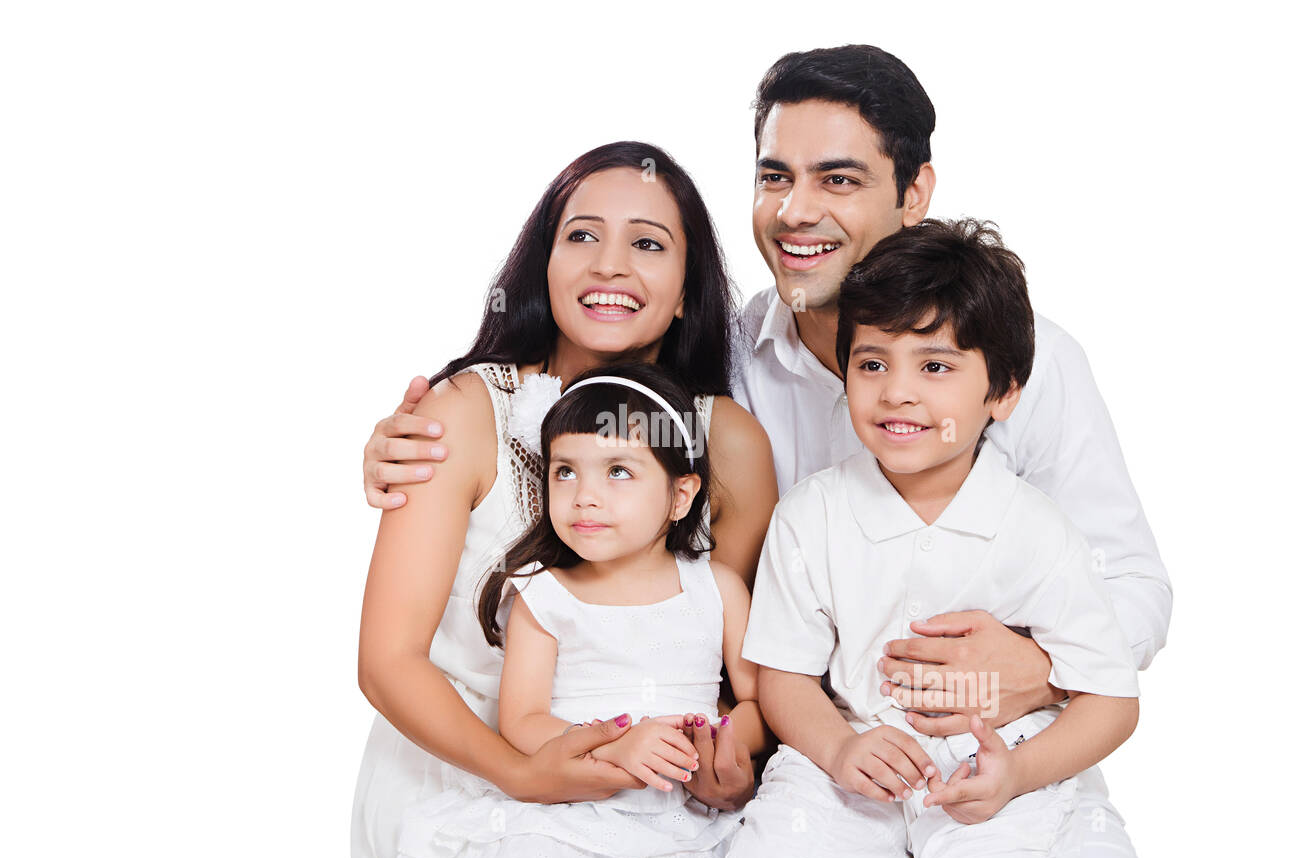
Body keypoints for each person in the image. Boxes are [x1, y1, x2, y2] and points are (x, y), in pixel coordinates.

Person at [362, 43, 1171, 744]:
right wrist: (416, 439)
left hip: (985, 746)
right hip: (796, 768)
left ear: (915, 193)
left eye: (840, 179)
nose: (795, 211)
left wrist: (1044, 668)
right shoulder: (730, 363)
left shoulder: (1027, 355)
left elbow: (1132, 586)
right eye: (775, 176)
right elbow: (598, 421)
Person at [352, 141, 776, 858]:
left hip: (661, 803)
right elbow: (387, 660)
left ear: (684, 293)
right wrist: (522, 773)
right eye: (581, 235)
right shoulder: (462, 412)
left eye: (647, 243)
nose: (608, 263)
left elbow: (725, 666)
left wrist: (730, 766)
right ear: (542, 267)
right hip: (465, 777)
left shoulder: (726, 442)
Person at [726, 219, 1140, 858]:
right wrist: (838, 749)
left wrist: (1018, 773)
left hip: (995, 760)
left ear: (1002, 392)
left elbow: (1110, 700)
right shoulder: (811, 514)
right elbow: (785, 675)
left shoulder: (1038, 531)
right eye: (871, 363)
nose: (897, 391)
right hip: (854, 754)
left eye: (936, 365)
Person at [395, 364, 756, 858]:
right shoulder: (544, 597)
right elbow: (521, 720)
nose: (584, 495)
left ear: (680, 496)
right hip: (574, 810)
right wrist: (618, 744)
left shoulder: (717, 588)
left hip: (691, 812)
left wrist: (710, 750)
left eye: (618, 471)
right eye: (565, 471)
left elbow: (758, 704)